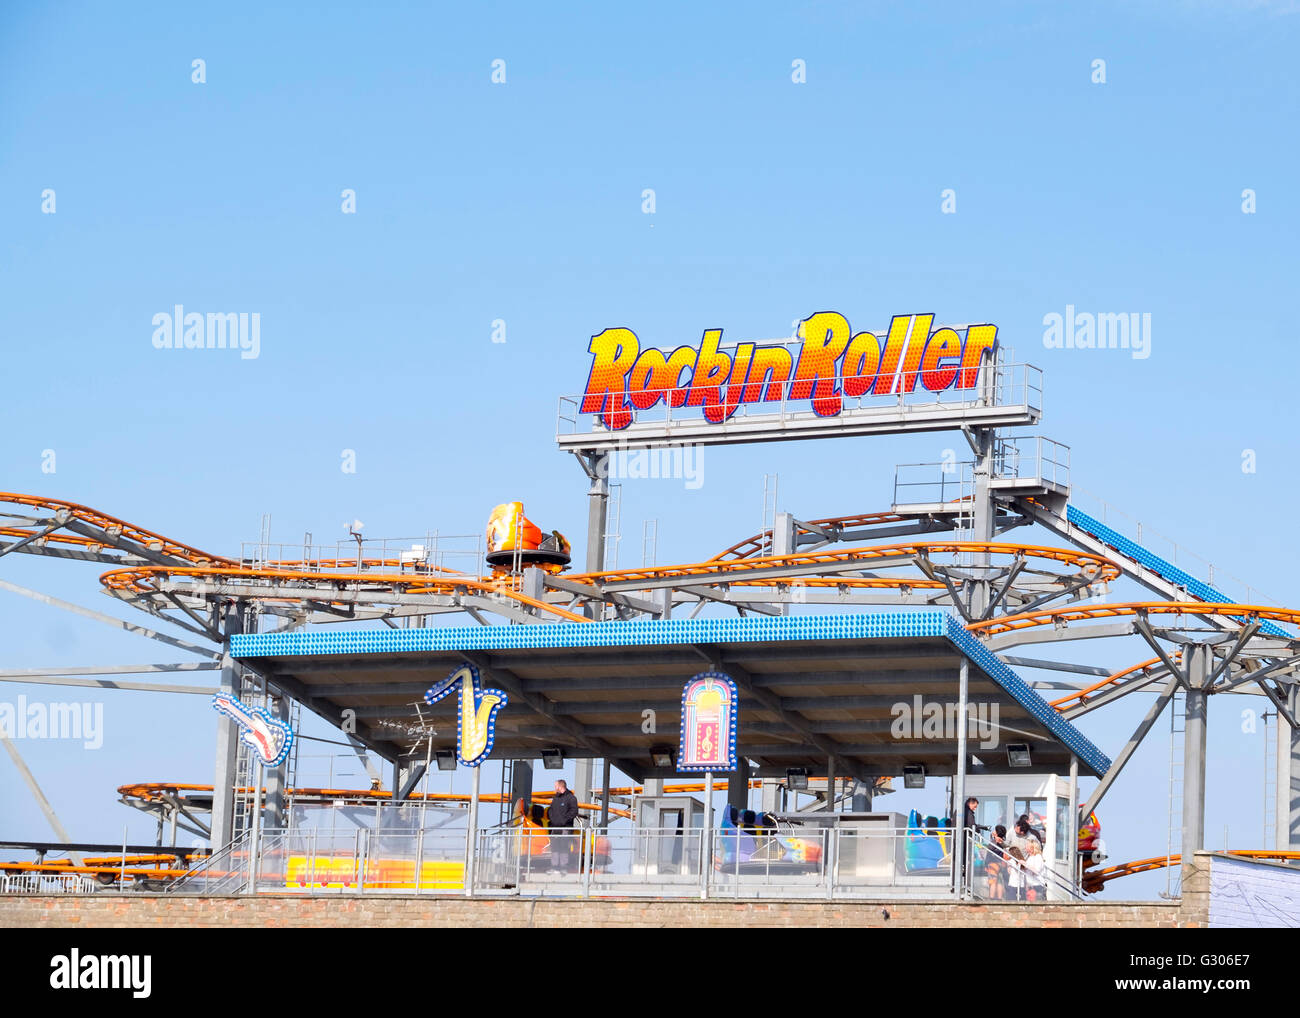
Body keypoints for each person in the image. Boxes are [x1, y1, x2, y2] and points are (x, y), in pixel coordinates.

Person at [546, 779, 580, 872]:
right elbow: (551, 811)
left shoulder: (571, 798)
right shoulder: (555, 798)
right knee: (554, 847)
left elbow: (574, 812)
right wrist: (553, 820)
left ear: (560, 786)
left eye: (555, 786)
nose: (554, 788)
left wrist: (563, 821)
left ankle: (563, 868)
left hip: (565, 827)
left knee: (564, 846)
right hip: (554, 827)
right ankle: (554, 867)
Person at [983, 825, 1008, 899]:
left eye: (995, 830)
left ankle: (991, 897)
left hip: (993, 863)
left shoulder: (994, 842)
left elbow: (989, 853)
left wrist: (986, 864)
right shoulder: (1002, 841)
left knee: (992, 881)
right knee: (1000, 882)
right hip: (1001, 863)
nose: (993, 831)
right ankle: (1000, 898)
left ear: (997, 833)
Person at [1022, 837, 1046, 902]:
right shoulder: (1029, 857)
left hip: (1037, 885)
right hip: (1030, 884)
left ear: (1032, 848)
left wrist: (1025, 864)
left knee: (1038, 905)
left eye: (1027, 845)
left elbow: (1036, 870)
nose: (1025, 847)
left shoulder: (1038, 857)